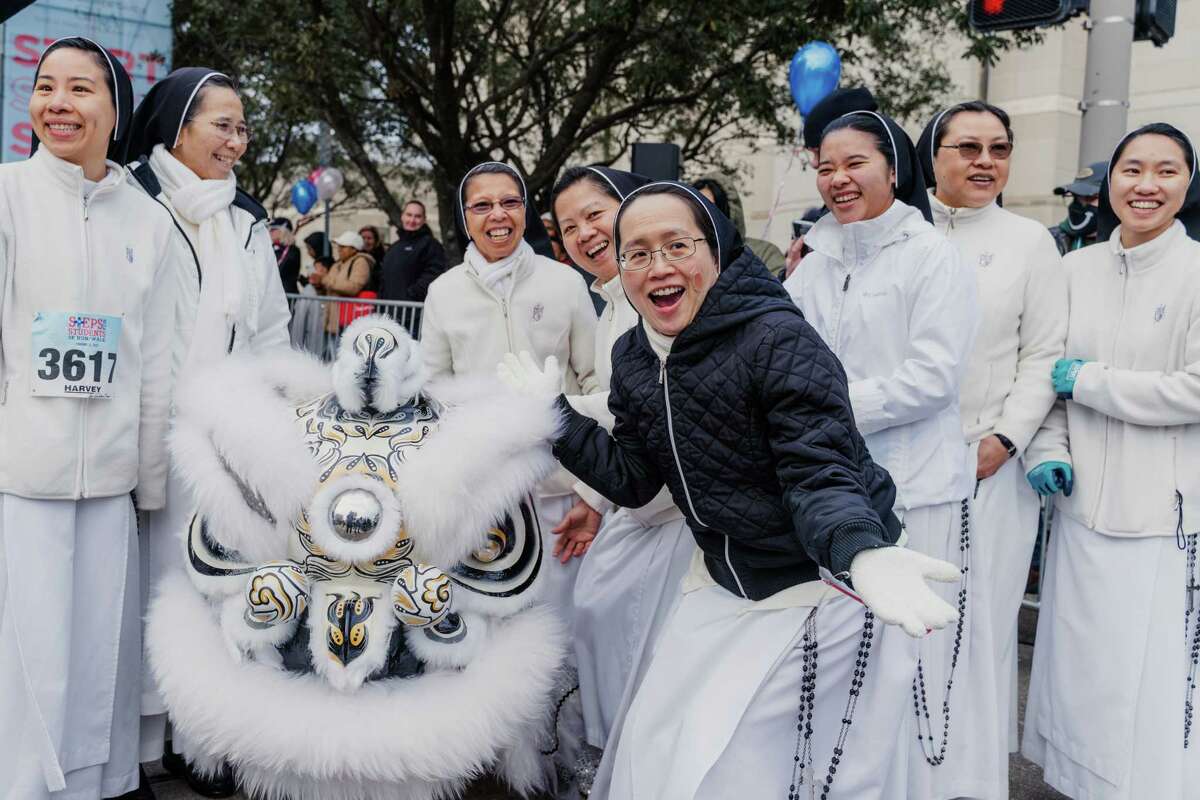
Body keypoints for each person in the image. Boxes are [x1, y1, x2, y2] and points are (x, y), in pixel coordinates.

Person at [499, 181, 962, 798]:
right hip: (722, 581)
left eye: (677, 245)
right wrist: (552, 417)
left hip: (816, 587)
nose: (657, 266)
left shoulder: (777, 339)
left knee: (748, 771)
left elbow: (819, 468)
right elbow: (636, 481)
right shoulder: (636, 357)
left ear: (714, 250)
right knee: (656, 747)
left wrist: (860, 550)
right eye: (636, 252)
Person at [0, 36, 179, 800]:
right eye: (45, 87)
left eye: (80, 89)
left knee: (94, 656)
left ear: (115, 109)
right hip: (20, 476)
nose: (58, 104)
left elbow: (153, 367)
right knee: (25, 656)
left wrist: (147, 484)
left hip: (107, 483)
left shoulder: (149, 222)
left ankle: (86, 787)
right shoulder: (6, 194)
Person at [783, 110, 979, 797]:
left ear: (894, 169)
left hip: (915, 488)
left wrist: (823, 406)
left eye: (854, 163)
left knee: (911, 659)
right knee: (846, 659)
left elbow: (931, 378)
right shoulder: (814, 261)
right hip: (830, 490)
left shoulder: (931, 255)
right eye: (824, 166)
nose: (837, 178)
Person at [123, 65, 292, 796]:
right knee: (130, 595)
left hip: (221, 447)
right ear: (178, 126)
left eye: (243, 127)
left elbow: (271, 332)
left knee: (209, 590)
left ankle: (199, 743)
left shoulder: (245, 218)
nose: (236, 140)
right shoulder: (128, 197)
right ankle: (125, 748)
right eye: (222, 124)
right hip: (136, 435)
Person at [1022, 122, 1200, 800]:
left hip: (1162, 517)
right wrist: (1047, 452)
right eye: (1132, 169)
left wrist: (1092, 381)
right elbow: (1045, 380)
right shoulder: (1073, 270)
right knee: (1081, 669)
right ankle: (1078, 783)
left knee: (1146, 678)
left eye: (1166, 170)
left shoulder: (1197, 272)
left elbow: (1195, 388)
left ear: (1187, 181)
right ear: (1110, 180)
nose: (1146, 185)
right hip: (1079, 510)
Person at [916, 100, 1066, 800]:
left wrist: (1005, 439)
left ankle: (969, 783)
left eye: (999, 149)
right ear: (932, 153)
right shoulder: (900, 228)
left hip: (991, 469)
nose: (985, 162)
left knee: (979, 632)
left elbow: (1044, 354)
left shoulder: (1030, 241)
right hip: (902, 469)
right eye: (967, 146)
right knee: (902, 622)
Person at [548, 166, 696, 765]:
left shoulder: (656, 297)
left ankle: (628, 761)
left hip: (675, 506)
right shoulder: (612, 302)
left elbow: (631, 411)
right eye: (569, 225)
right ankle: (613, 759)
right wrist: (592, 497)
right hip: (637, 495)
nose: (585, 232)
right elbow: (620, 414)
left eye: (595, 213)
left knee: (633, 632)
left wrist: (544, 412)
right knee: (598, 618)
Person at [420, 161, 600, 624]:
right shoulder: (443, 293)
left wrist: (591, 494)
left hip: (561, 495)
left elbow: (599, 384)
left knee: (566, 632)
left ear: (525, 210)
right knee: (488, 631)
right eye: (482, 205)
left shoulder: (565, 282)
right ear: (465, 217)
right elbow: (431, 399)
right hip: (479, 498)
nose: (497, 215)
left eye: (509, 202)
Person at [693, 175, 787, 278]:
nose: (704, 216)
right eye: (697, 209)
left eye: (710, 208)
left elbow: (779, 290)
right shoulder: (682, 257)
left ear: (727, 211)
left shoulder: (764, 253)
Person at [378, 199, 448, 302]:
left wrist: (411, 295)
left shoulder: (431, 245)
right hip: (388, 311)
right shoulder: (394, 248)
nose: (412, 220)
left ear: (424, 219)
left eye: (417, 216)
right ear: (402, 216)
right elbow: (383, 280)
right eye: (409, 215)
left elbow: (433, 275)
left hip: (413, 312)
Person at [323, 230, 376, 334]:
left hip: (348, 321)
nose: (339, 249)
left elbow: (353, 287)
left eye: (343, 247)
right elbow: (329, 286)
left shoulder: (360, 262)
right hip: (333, 320)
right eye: (339, 246)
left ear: (354, 249)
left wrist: (325, 280)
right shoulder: (336, 264)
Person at [1049, 162, 1105, 254]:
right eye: (1075, 197)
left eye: (1089, 197)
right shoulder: (1051, 240)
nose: (1080, 204)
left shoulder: (1123, 247)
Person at [270, 217, 301, 293]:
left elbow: (282, 270)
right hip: (272, 292)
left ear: (284, 231)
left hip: (286, 293)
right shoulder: (271, 248)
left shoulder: (293, 250)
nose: (270, 231)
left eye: (274, 229)